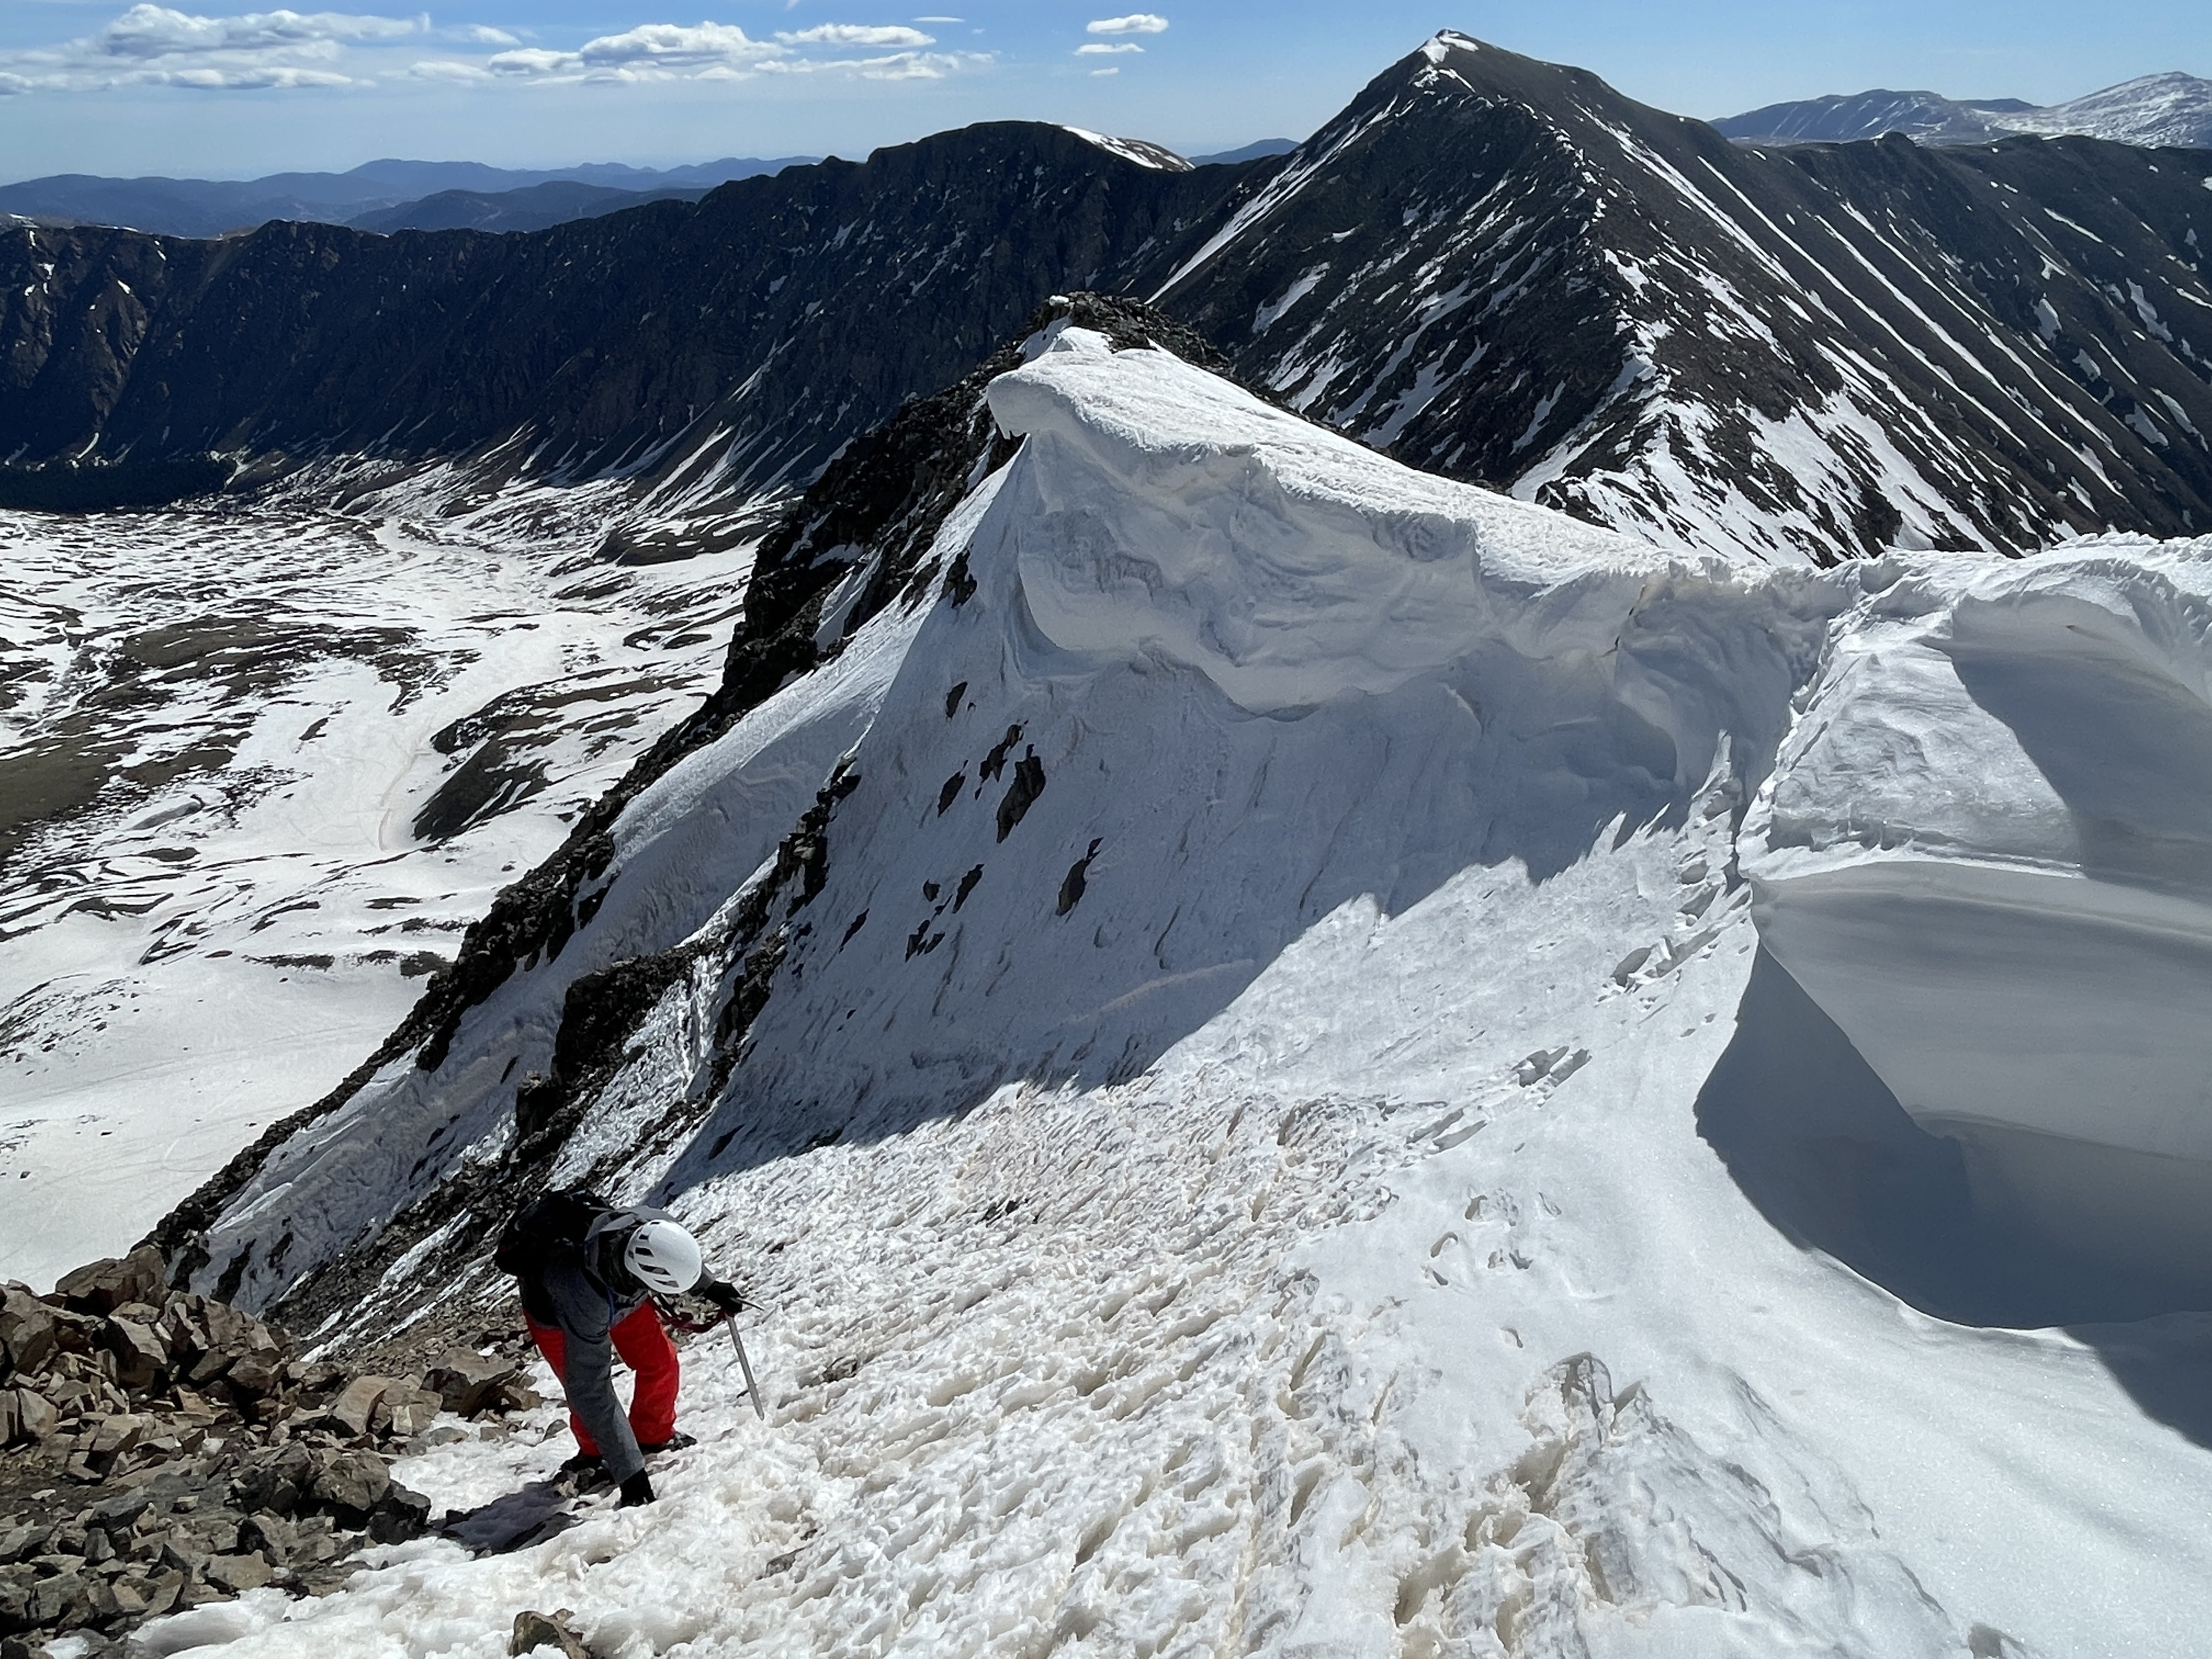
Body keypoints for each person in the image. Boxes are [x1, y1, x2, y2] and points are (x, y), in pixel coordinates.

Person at [501, 1193, 744, 1507]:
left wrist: (709, 1285)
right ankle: (595, 1455)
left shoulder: (655, 1228)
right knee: (581, 1387)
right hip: (556, 1315)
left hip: (623, 1294)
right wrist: (631, 1475)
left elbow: (675, 1257)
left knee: (661, 1362)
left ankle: (653, 1435)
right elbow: (591, 1387)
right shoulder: (578, 1291)